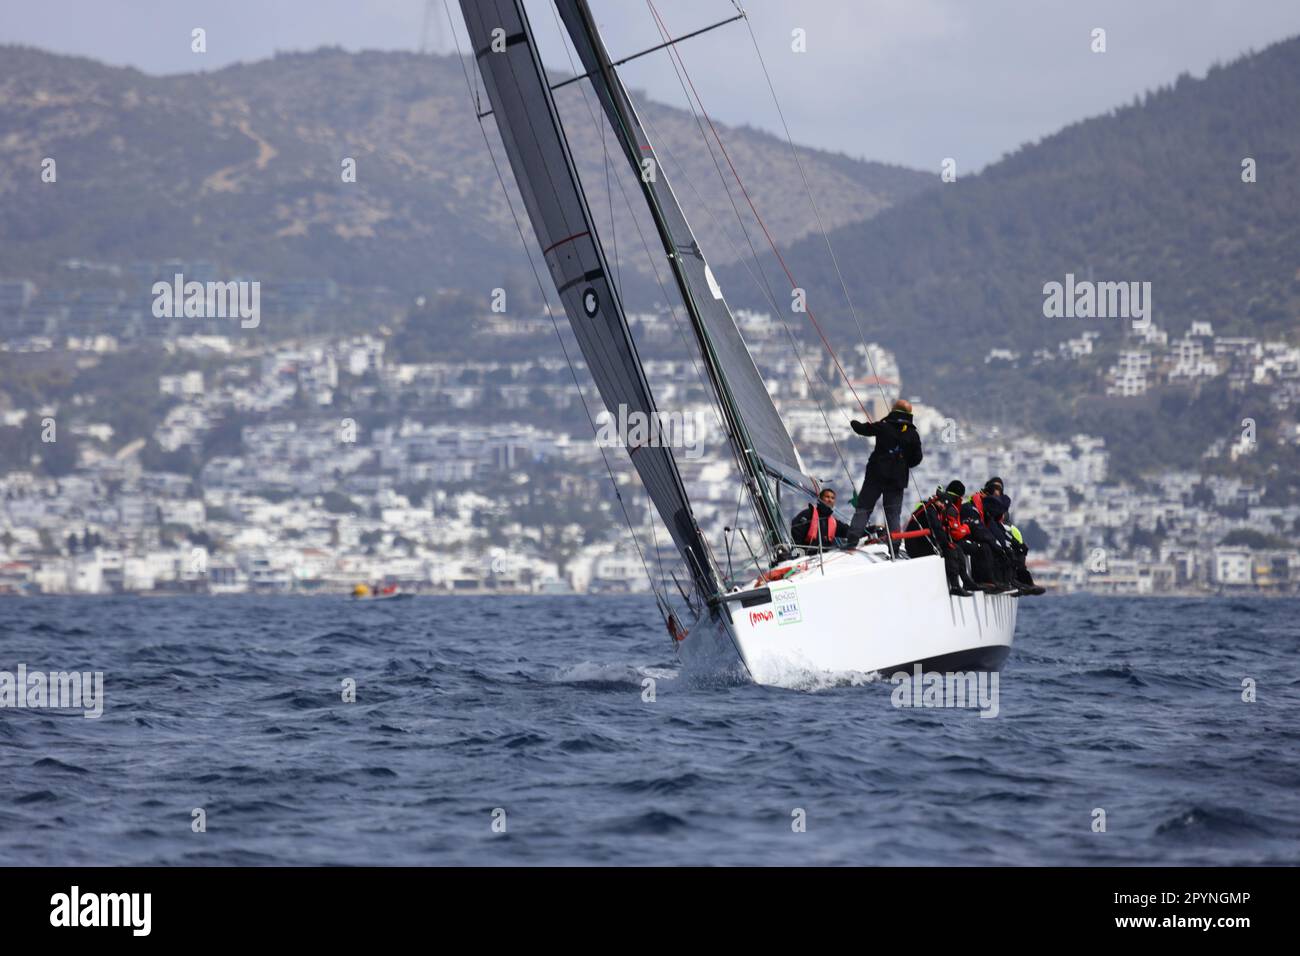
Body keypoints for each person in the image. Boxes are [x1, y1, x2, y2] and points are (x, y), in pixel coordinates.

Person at [847, 399, 923, 548]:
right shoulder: (913, 434)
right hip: (897, 480)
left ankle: (852, 541)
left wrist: (852, 422)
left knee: (864, 507)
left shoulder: (884, 426)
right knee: (893, 513)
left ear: (894, 411)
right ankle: (894, 545)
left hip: (875, 476)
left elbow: (861, 429)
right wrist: (903, 464)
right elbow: (917, 458)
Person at [904, 480, 979, 596]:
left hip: (920, 542)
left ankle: (965, 579)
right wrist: (945, 544)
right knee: (951, 550)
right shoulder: (930, 510)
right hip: (916, 546)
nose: (943, 507)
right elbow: (937, 528)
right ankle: (954, 586)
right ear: (938, 501)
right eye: (943, 504)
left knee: (957, 548)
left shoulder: (933, 508)